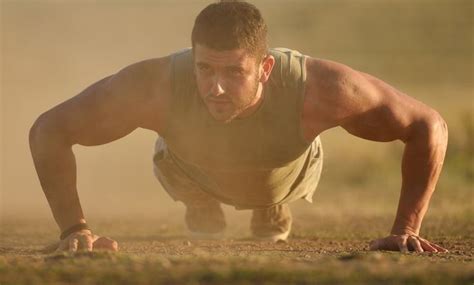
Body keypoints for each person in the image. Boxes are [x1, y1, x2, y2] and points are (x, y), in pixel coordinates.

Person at [29, 1, 448, 253]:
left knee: (267, 185)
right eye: (205, 69)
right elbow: (49, 129)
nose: (216, 86)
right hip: (187, 165)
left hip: (287, 168)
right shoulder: (154, 86)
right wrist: (75, 229)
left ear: (265, 68)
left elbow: (429, 125)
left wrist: (406, 230)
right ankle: (201, 202)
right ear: (192, 58)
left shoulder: (321, 89)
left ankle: (270, 204)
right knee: (181, 155)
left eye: (233, 72)